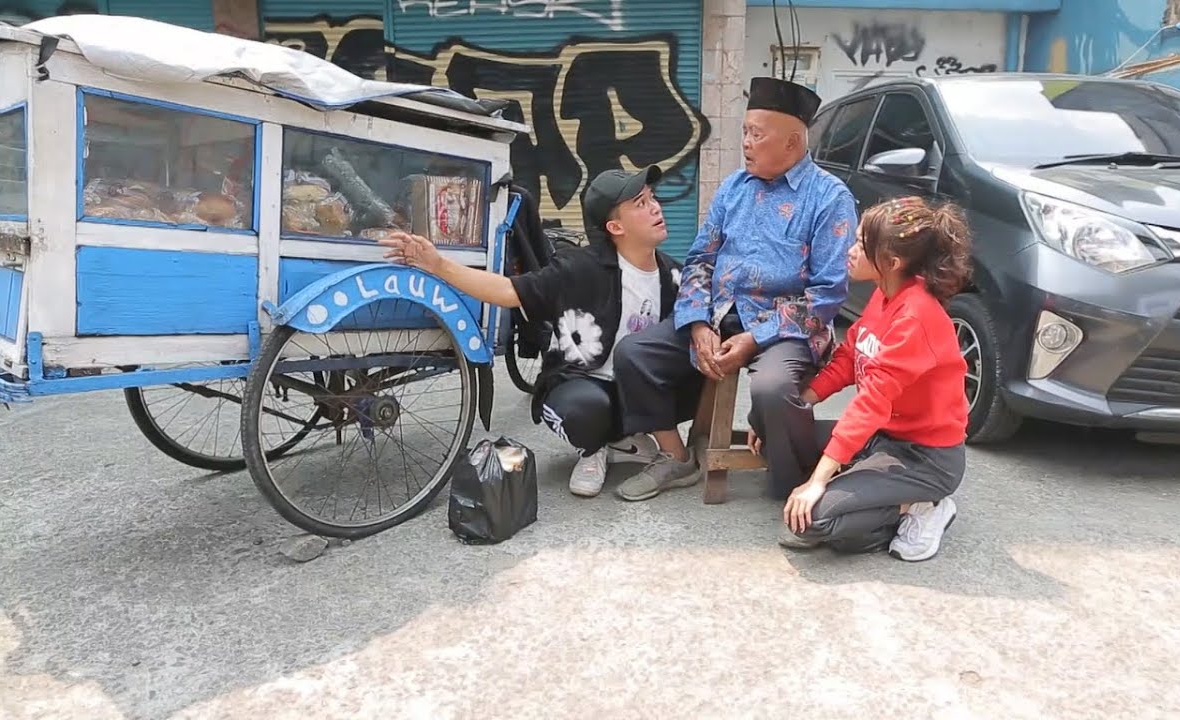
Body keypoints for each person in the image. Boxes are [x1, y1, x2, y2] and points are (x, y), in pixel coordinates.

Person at [609, 76, 857, 502]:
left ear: (793, 143)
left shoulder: (830, 198)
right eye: (744, 131)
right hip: (721, 314)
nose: (745, 142)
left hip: (786, 329)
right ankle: (676, 457)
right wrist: (698, 323)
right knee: (633, 355)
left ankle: (794, 488)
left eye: (756, 134)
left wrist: (754, 338)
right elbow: (699, 260)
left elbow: (827, 295)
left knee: (773, 390)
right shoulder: (733, 188)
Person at [379, 166, 694, 498]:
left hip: (642, 389)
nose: (656, 207)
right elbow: (507, 291)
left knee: (703, 361)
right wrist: (437, 263)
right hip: (586, 384)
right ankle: (599, 446)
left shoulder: (675, 275)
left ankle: (643, 443)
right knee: (583, 412)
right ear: (615, 227)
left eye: (652, 198)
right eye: (640, 203)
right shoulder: (580, 268)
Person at [765, 196, 973, 562]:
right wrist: (802, 402)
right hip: (882, 440)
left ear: (891, 262)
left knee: (810, 521)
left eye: (861, 245)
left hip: (925, 459)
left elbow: (872, 402)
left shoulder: (916, 317)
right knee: (778, 433)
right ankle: (865, 484)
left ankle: (920, 506)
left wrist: (818, 482)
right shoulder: (885, 294)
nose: (850, 250)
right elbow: (850, 357)